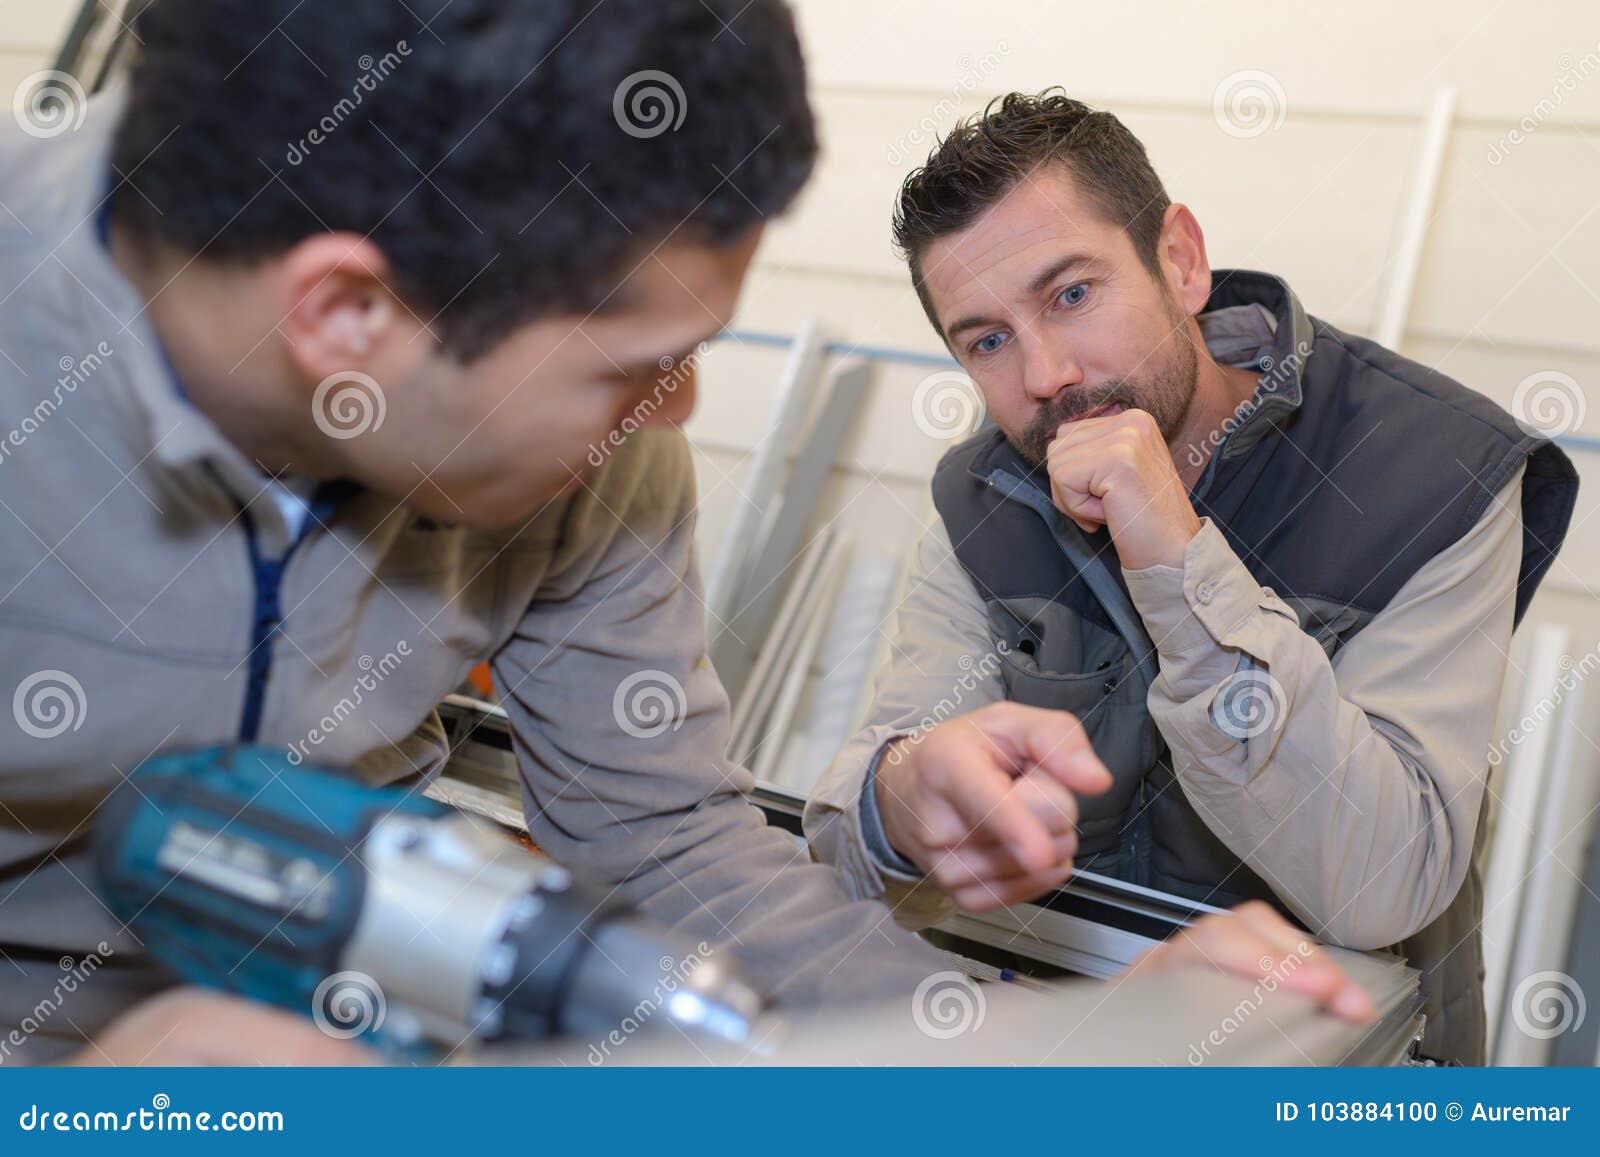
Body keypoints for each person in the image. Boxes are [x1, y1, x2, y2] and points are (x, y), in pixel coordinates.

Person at [1, 5, 1369, 1066]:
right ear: (348, 319)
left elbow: (657, 844)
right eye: (632, 367)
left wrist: (1032, 1043)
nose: (678, 411)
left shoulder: (597, 454)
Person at [804, 90, 1578, 1065]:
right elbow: (875, 776)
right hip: (1089, 1047)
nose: (1045, 374)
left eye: (1071, 294)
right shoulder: (985, 492)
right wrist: (899, 794)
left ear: (1179, 260)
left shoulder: (1436, 473)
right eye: (987, 340)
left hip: (1332, 1062)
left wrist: (1176, 560)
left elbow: (1388, 881)